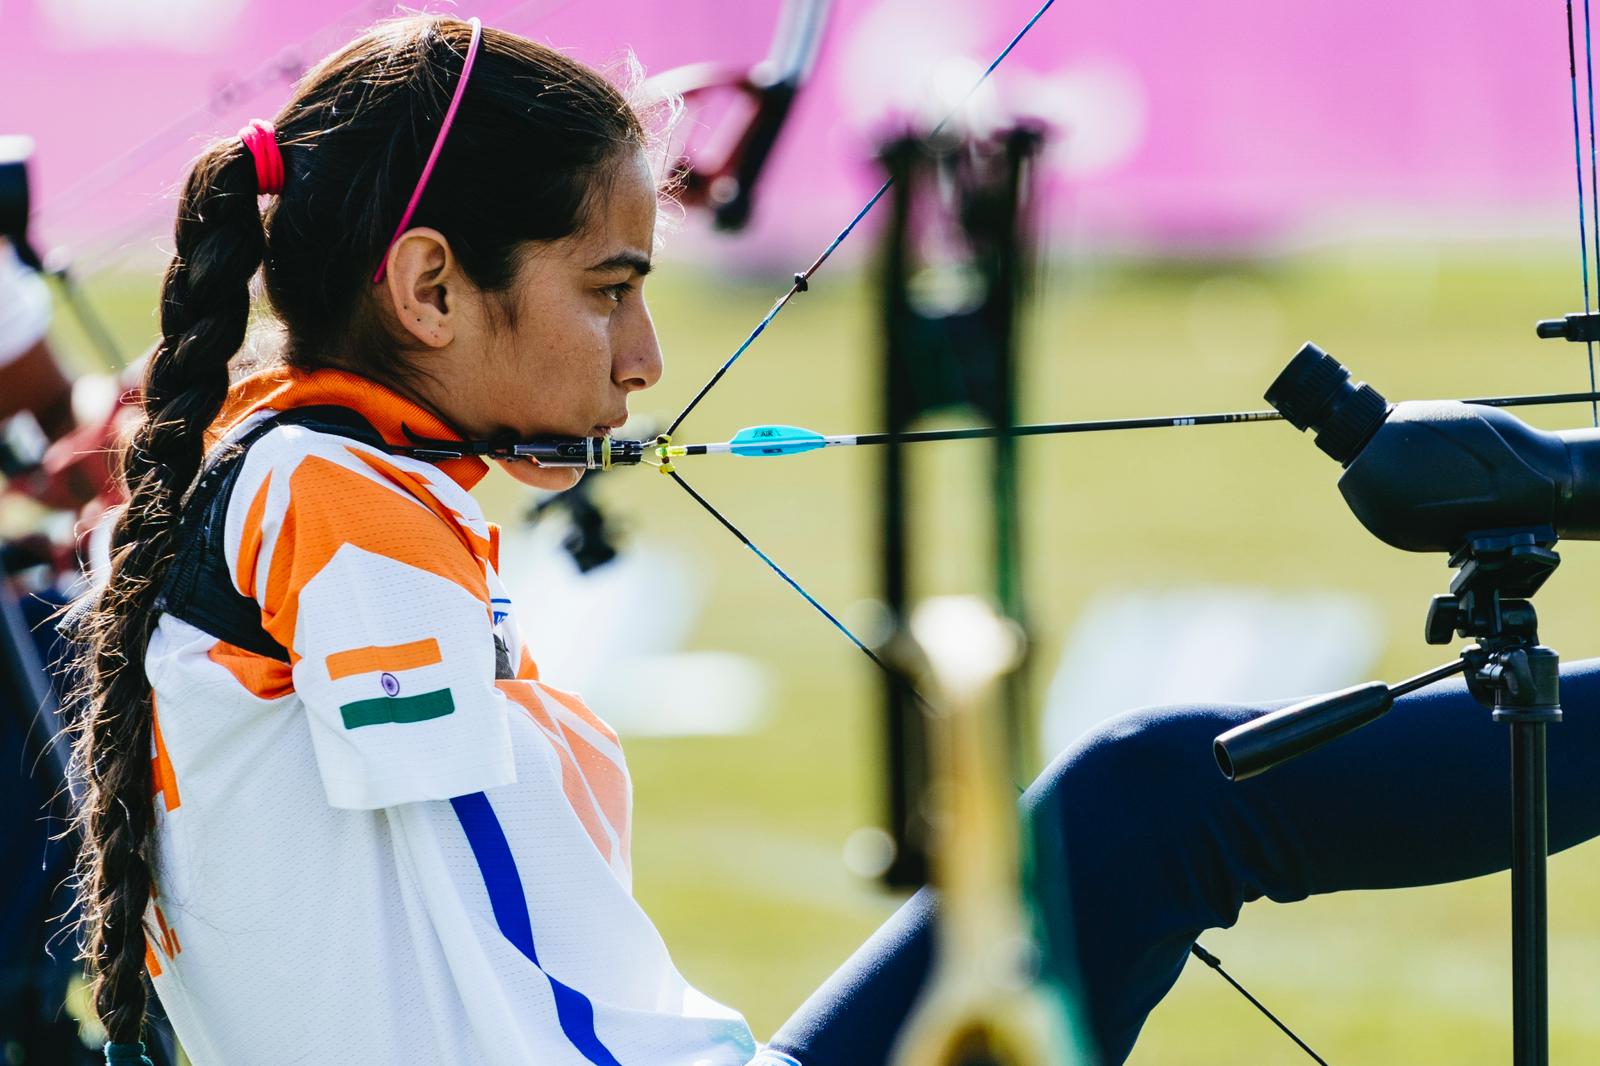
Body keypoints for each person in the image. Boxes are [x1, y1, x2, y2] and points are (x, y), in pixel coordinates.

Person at [69, 13, 1600, 1066]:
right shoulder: (336, 502)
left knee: (1145, 801)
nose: (647, 356)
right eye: (609, 287)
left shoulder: (264, 468)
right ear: (428, 288)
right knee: (1157, 802)